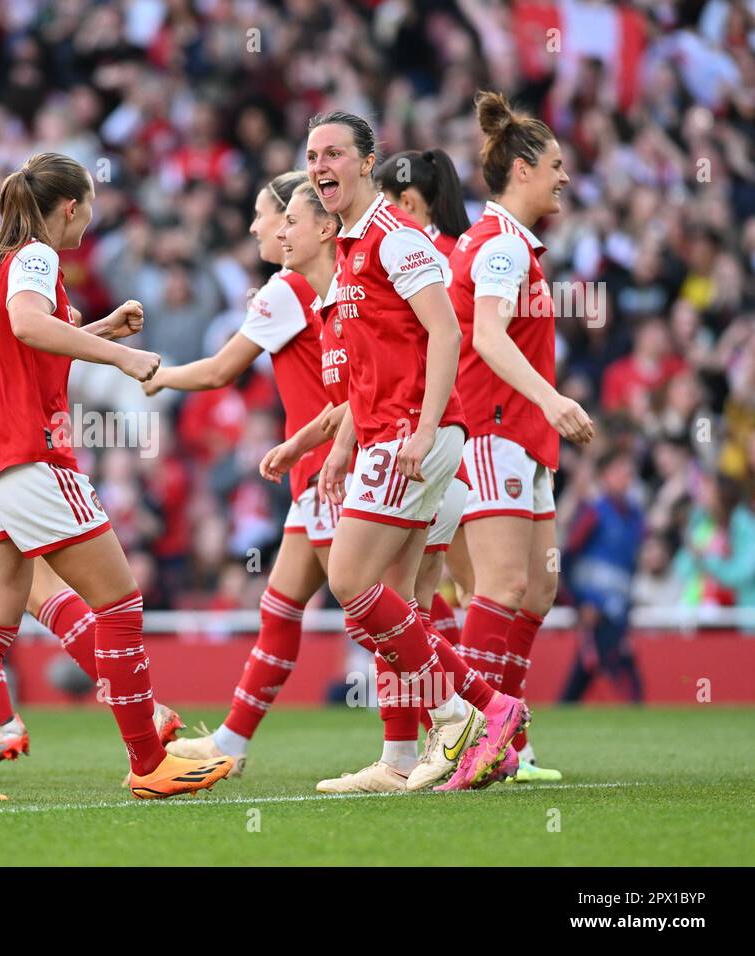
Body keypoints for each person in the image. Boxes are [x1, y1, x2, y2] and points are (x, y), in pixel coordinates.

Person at [0, 153, 234, 800]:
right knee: (120, 600)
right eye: (92, 205)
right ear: (71, 207)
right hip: (25, 456)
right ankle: (148, 761)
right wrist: (123, 355)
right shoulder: (35, 256)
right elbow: (28, 324)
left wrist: (101, 327)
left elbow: (17, 345)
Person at [264, 111, 527, 792]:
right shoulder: (352, 247)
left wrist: (423, 428)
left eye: (334, 154)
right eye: (313, 154)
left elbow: (446, 334)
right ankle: (403, 756)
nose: (321, 166)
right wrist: (336, 445)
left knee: (351, 583)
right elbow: (366, 376)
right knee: (400, 600)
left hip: (416, 438)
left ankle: (466, 713)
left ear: (366, 160)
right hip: (391, 435)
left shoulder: (392, 236)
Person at [145, 172, 341, 775]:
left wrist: (152, 372)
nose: (256, 226)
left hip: (335, 467)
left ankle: (470, 715)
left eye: (263, 214)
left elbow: (217, 372)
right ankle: (231, 741)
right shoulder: (326, 284)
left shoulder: (286, 289)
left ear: (291, 223)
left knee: (374, 608)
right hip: (323, 463)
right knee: (281, 609)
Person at [449, 92, 596, 782]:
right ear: (525, 167)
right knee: (501, 584)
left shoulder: (511, 244)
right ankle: (466, 737)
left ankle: (509, 741)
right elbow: (486, 334)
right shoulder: (502, 245)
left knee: (538, 592)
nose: (566, 177)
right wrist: (552, 396)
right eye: (558, 165)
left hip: (524, 434)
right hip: (495, 426)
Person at [561, 450, 646, 702]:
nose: (625, 477)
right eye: (618, 471)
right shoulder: (593, 513)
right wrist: (579, 602)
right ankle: (639, 721)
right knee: (620, 668)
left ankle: (562, 712)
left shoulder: (636, 518)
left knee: (589, 667)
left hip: (619, 610)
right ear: (604, 477)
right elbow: (565, 559)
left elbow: (631, 567)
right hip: (594, 612)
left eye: (628, 472)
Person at [374, 149, 472, 258]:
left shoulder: (428, 256)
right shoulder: (452, 247)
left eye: (383, 205)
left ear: (407, 202)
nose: (379, 215)